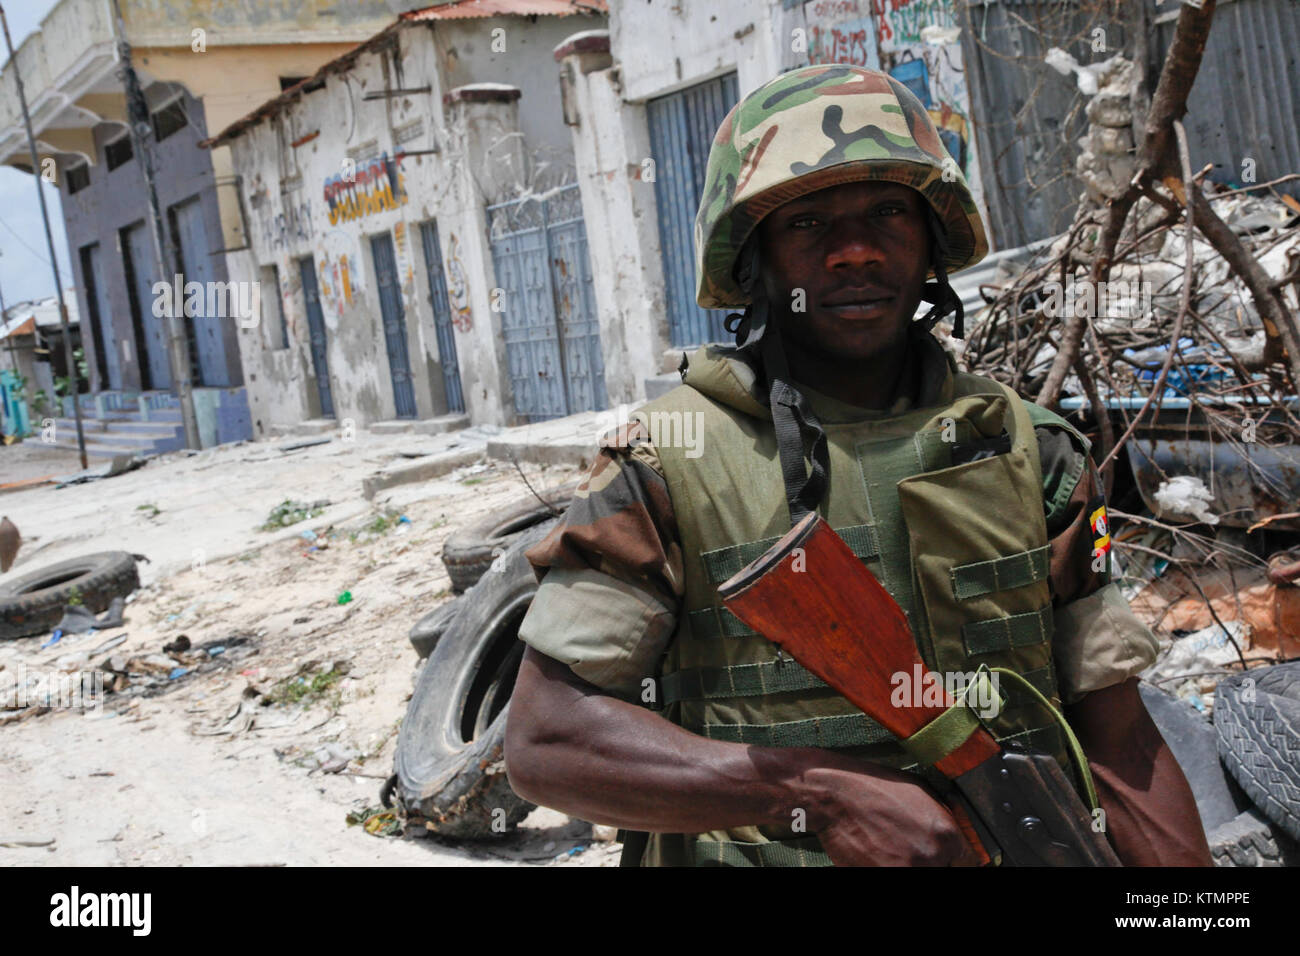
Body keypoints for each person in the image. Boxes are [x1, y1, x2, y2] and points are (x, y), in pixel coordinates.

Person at [503, 64, 1212, 867]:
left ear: (931, 237)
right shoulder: (669, 464)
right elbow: (547, 741)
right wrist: (814, 796)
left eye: (886, 212)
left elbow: (1119, 736)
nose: (855, 252)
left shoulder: (1028, 447)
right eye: (808, 224)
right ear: (754, 256)